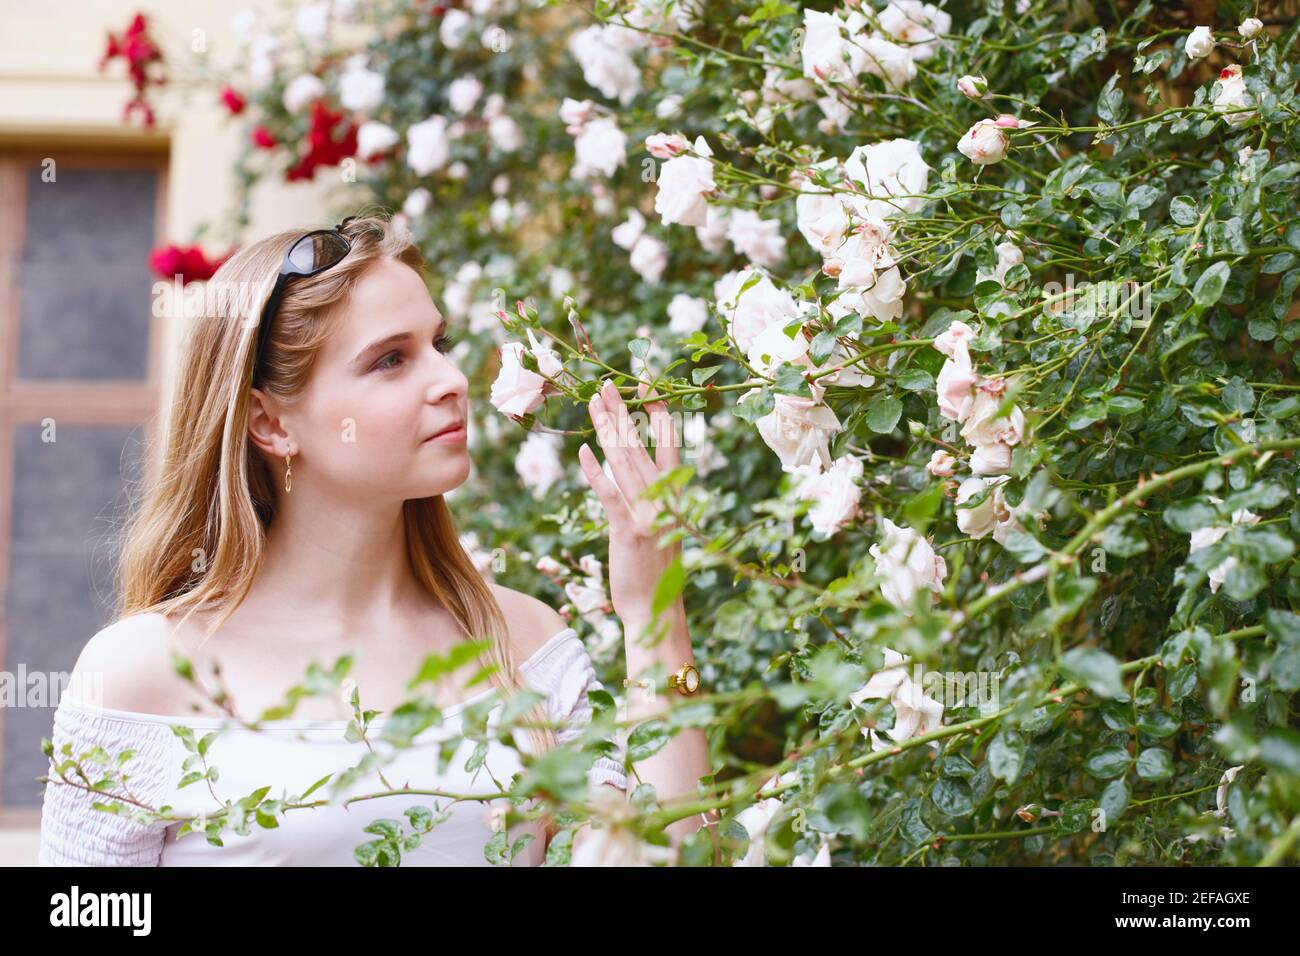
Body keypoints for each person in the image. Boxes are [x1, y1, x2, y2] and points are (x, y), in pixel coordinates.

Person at [37, 212, 712, 866]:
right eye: (391, 360)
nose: (450, 381)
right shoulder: (139, 675)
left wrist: (656, 614)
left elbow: (667, 857)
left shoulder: (526, 643)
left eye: (438, 346)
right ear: (270, 424)